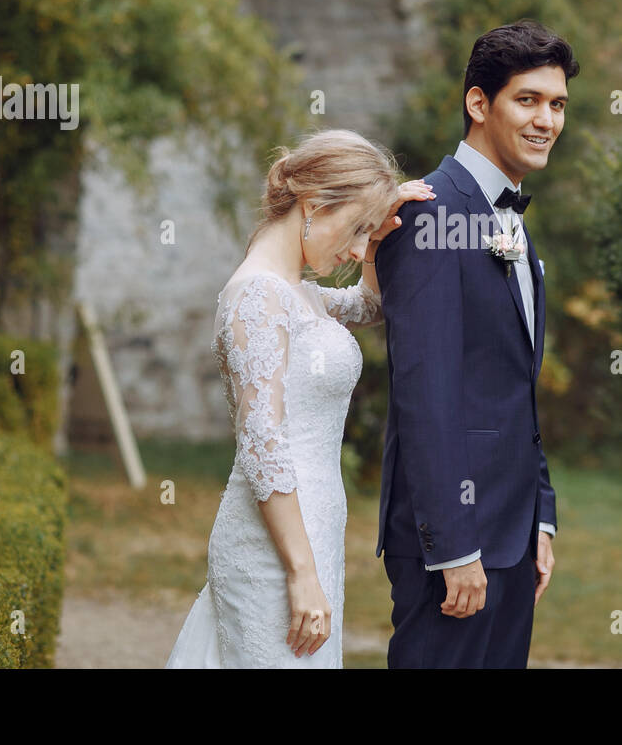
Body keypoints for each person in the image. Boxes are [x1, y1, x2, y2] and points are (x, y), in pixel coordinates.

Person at [166, 128, 429, 667]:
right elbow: (263, 447)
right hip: (275, 551)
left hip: (313, 534)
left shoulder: (299, 293)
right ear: (312, 204)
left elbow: (371, 304)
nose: (356, 249)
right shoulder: (258, 296)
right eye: (355, 229)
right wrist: (301, 573)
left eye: (365, 234)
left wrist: (379, 235)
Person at [375, 19, 577, 667]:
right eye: (528, 100)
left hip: (513, 537)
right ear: (478, 103)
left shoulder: (509, 217)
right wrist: (454, 547)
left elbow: (513, 390)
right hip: (455, 547)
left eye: (557, 104)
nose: (546, 120)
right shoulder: (432, 214)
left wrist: (539, 517)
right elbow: (425, 395)